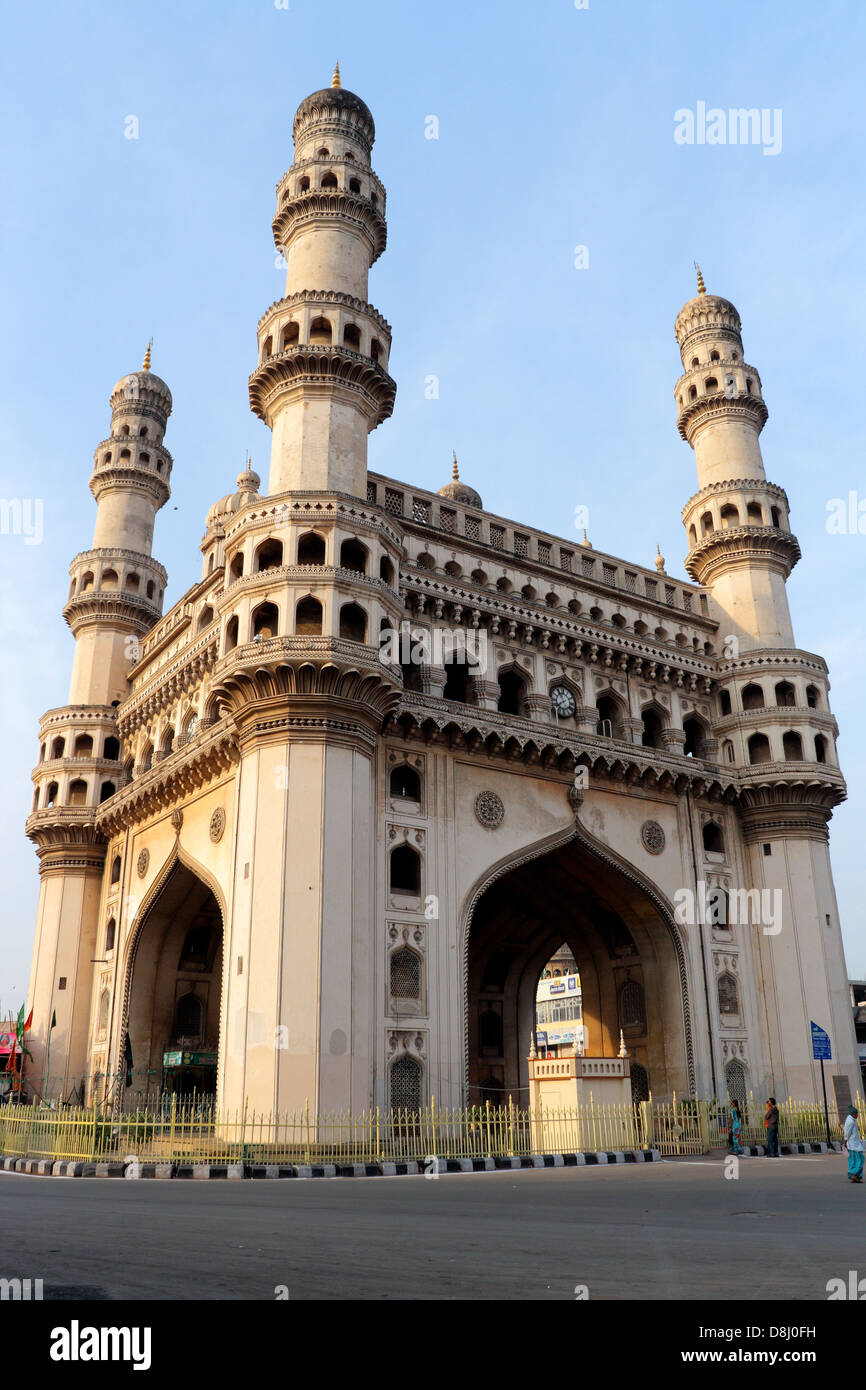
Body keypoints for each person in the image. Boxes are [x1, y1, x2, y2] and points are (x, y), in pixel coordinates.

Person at [843, 1105, 863, 1183]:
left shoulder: (850, 1119)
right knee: (860, 1160)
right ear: (853, 1114)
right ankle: (853, 1174)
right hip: (854, 1145)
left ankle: (855, 1176)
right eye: (856, 1114)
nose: (857, 1115)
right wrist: (844, 1142)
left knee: (853, 1161)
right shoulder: (851, 1121)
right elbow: (847, 1133)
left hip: (852, 1144)